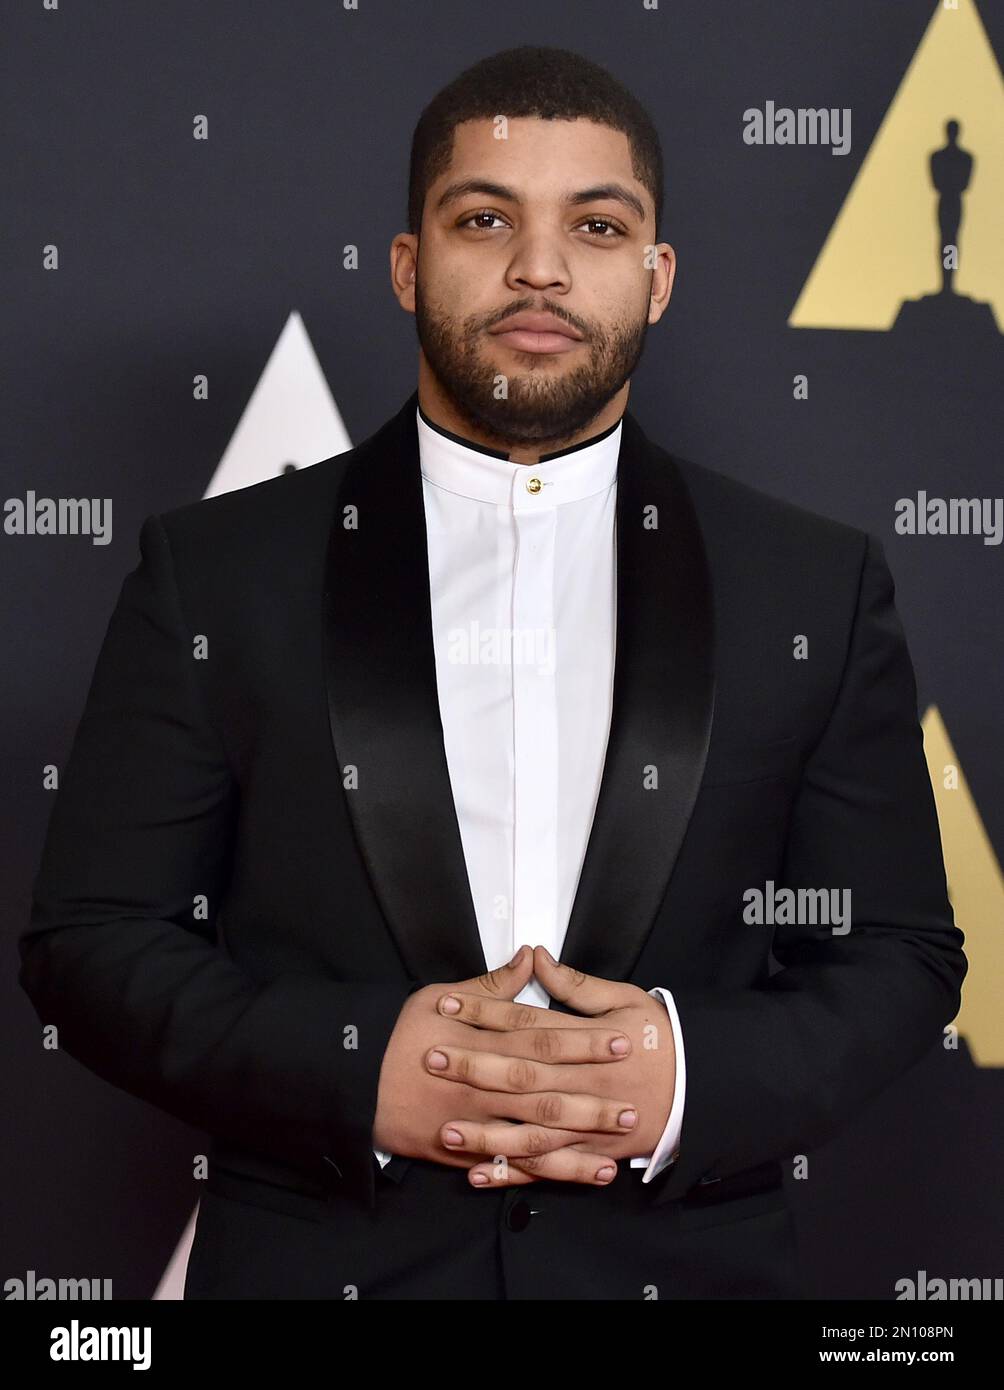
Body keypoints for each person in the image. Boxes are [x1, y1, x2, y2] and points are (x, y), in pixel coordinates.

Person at [19, 46, 966, 1300]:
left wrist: (682, 1077)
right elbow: (89, 940)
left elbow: (896, 952)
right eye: (484, 219)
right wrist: (357, 1068)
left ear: (655, 275)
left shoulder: (810, 584)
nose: (539, 267)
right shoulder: (217, 574)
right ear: (408, 266)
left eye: (596, 223)